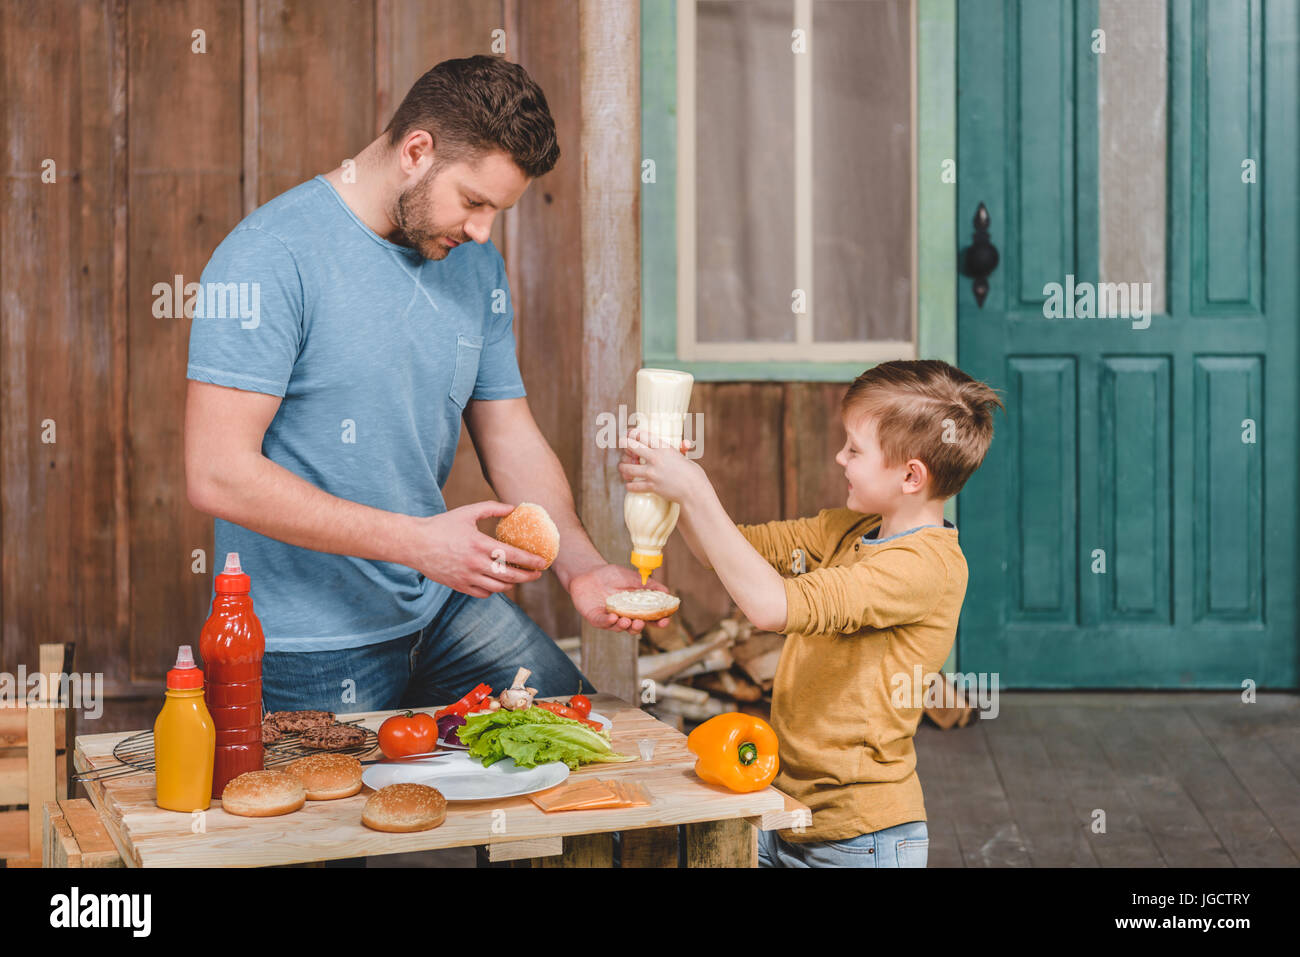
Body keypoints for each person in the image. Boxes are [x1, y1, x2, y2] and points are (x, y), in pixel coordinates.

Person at [185, 55, 669, 716]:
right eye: (473, 201)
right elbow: (217, 473)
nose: (481, 230)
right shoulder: (269, 256)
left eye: (497, 211)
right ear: (416, 151)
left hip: (438, 608)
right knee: (337, 819)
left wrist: (580, 565)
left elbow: (510, 435)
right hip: (301, 643)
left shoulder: (474, 266)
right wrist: (417, 543)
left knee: (588, 745)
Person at [619, 359, 1003, 867]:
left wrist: (693, 489)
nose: (840, 457)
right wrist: (678, 487)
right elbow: (727, 550)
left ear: (911, 475)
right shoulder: (848, 529)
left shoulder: (924, 568)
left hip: (860, 839)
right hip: (785, 812)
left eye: (855, 448)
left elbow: (770, 606)